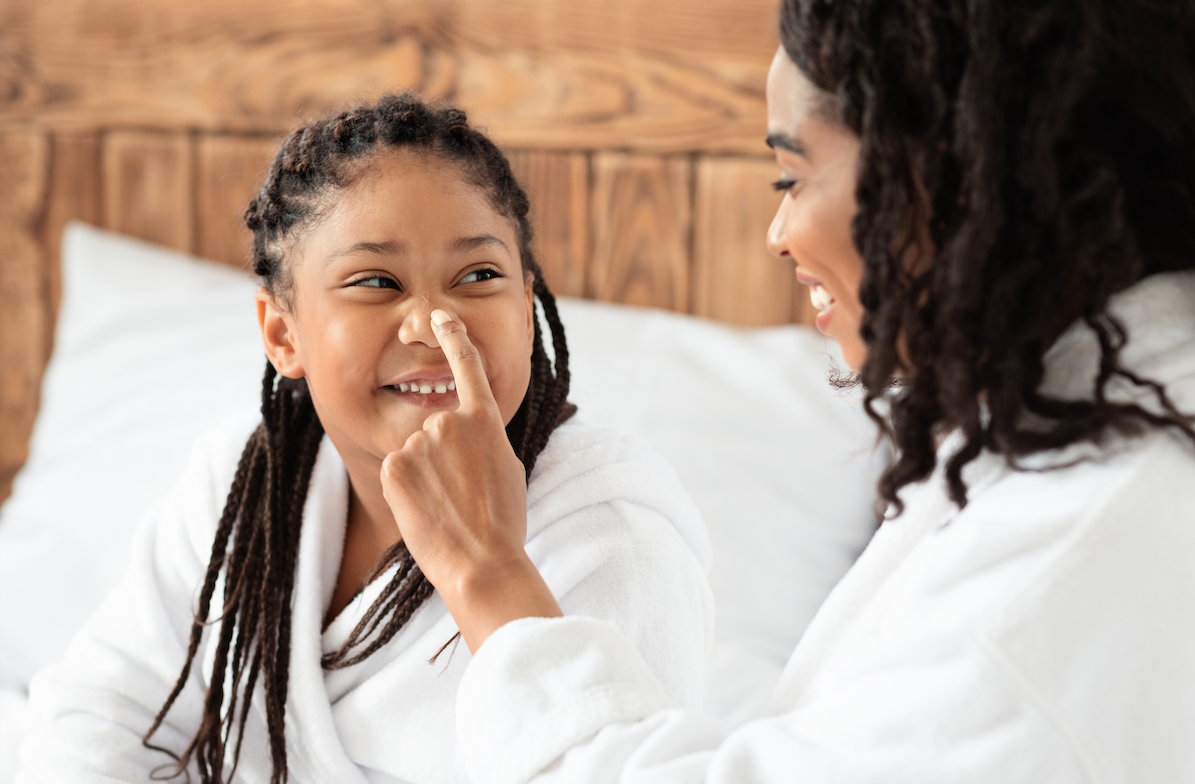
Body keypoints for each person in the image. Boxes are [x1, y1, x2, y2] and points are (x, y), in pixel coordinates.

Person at [380, 1, 1195, 781]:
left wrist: (491, 578)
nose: (776, 236)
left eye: (791, 178)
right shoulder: (1072, 444)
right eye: (374, 281)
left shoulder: (1064, 558)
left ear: (953, 173)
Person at [18, 94, 713, 783]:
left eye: (478, 276)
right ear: (282, 335)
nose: (433, 324)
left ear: (527, 313)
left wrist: (487, 569)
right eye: (376, 282)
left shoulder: (614, 540)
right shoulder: (246, 482)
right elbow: (101, 718)